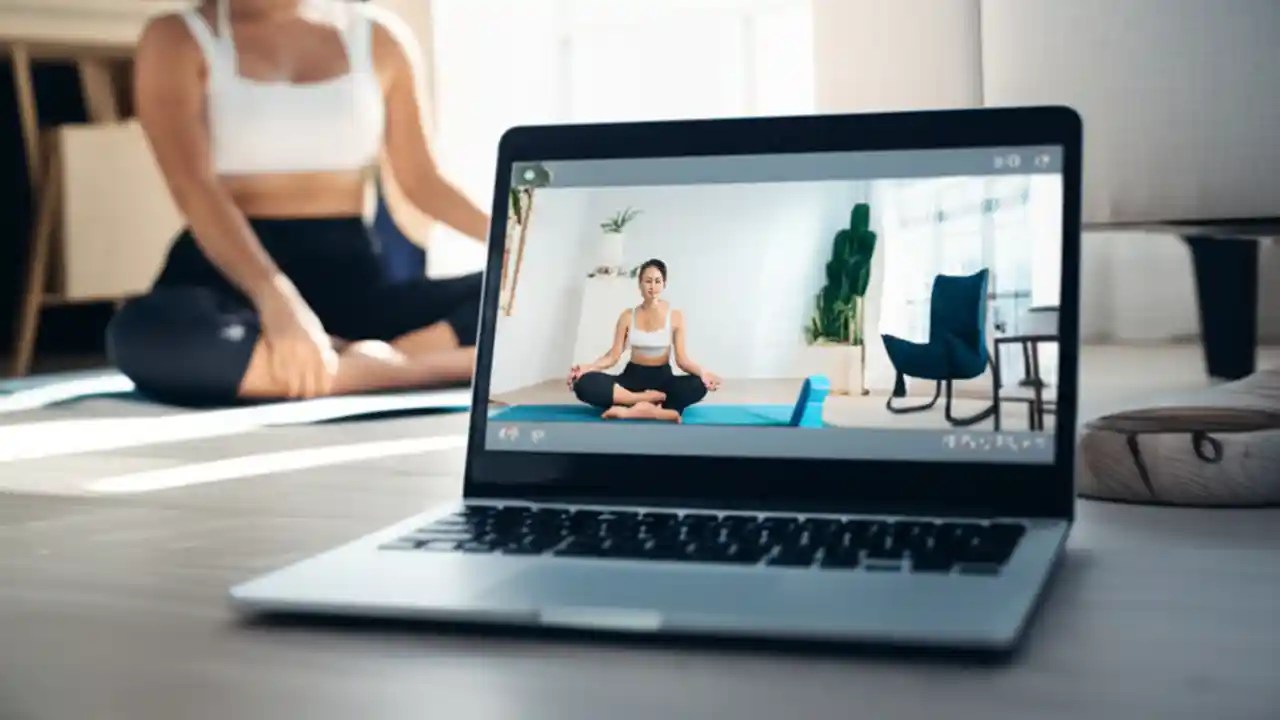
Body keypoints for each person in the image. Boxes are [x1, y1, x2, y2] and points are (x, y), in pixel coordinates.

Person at [106, 0, 490, 405]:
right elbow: (194, 189)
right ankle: (418, 369)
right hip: (231, 282)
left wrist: (518, 245)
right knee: (139, 331)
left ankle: (334, 365)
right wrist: (276, 301)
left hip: (354, 287)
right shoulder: (176, 37)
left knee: (513, 294)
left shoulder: (378, 36)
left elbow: (421, 180)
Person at [569, 259, 721, 422]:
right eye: (648, 281)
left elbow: (682, 360)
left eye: (657, 281)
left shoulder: (676, 317)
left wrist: (703, 373)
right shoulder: (627, 316)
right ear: (640, 284)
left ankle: (630, 408)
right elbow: (613, 356)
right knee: (584, 383)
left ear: (664, 284)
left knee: (698, 385)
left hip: (663, 379)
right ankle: (649, 404)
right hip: (631, 379)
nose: (652, 286)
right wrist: (588, 368)